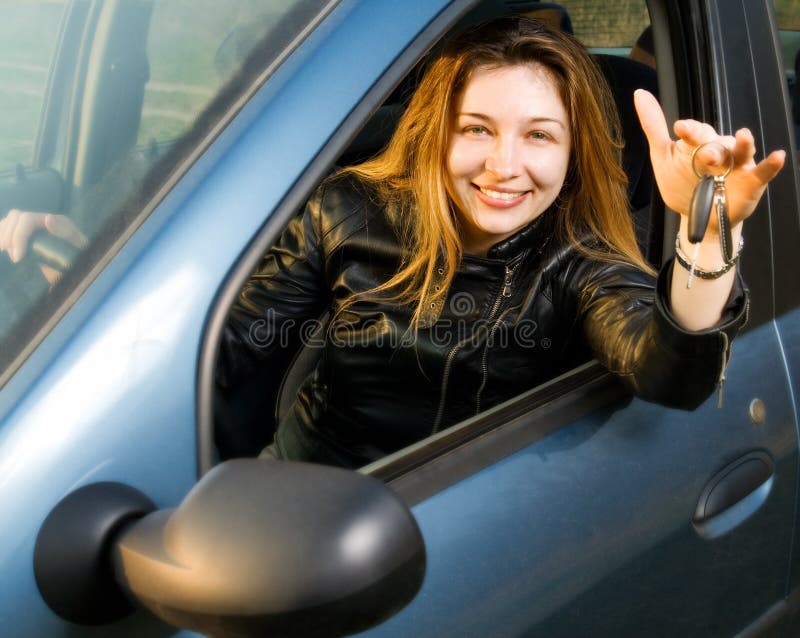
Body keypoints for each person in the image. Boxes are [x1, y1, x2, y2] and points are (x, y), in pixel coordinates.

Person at [5, 17, 786, 468]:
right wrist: (78, 274)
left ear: (574, 151)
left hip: (456, 519)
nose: (504, 166)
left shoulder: (580, 258)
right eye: (476, 130)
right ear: (435, 135)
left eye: (539, 137)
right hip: (295, 491)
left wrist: (706, 231)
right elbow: (222, 343)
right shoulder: (351, 208)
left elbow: (671, 371)